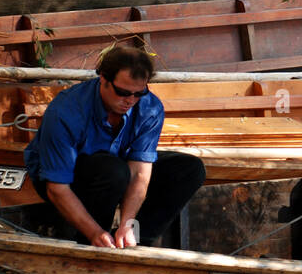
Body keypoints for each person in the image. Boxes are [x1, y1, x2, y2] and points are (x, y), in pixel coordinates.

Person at [24, 43, 205, 248]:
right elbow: (57, 188)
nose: (130, 100)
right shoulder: (66, 110)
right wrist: (94, 233)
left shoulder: (150, 108)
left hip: (115, 169)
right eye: (123, 92)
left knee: (189, 169)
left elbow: (139, 173)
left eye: (139, 93)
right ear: (103, 79)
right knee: (113, 171)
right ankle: (93, 243)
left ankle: (132, 240)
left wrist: (127, 224)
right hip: (63, 179)